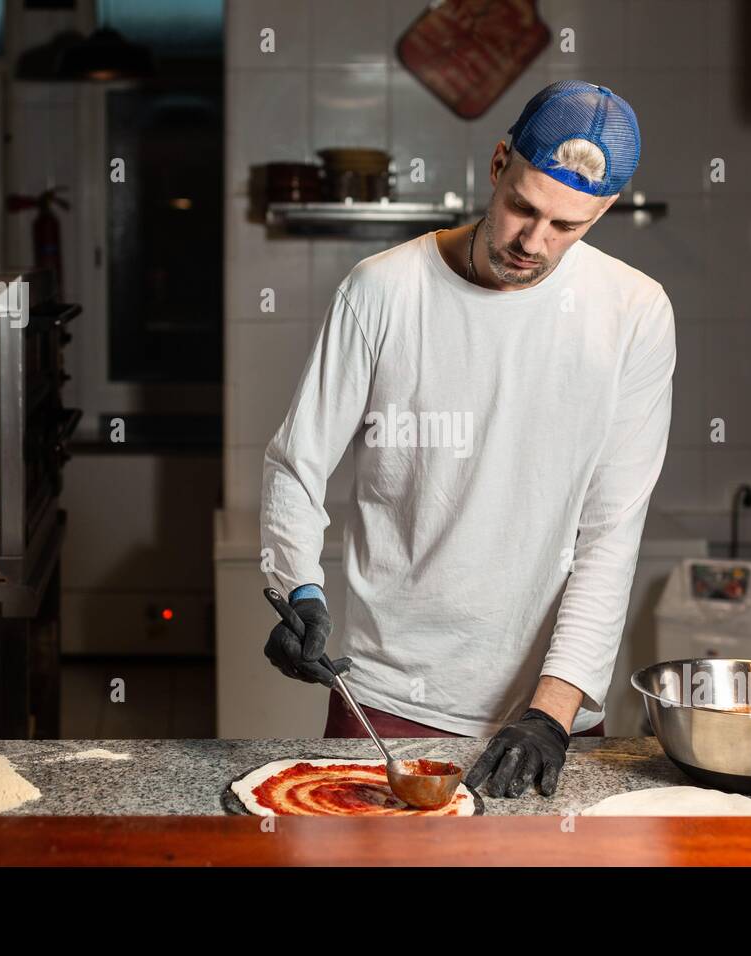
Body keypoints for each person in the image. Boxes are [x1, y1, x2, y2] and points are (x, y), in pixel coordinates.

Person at [260, 80, 675, 799]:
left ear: (604, 210)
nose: (532, 242)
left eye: (567, 226)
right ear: (497, 163)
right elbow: (296, 468)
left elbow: (610, 537)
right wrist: (295, 584)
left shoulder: (635, 315)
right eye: (523, 206)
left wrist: (551, 710)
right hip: (387, 701)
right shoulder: (382, 291)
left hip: (547, 712)